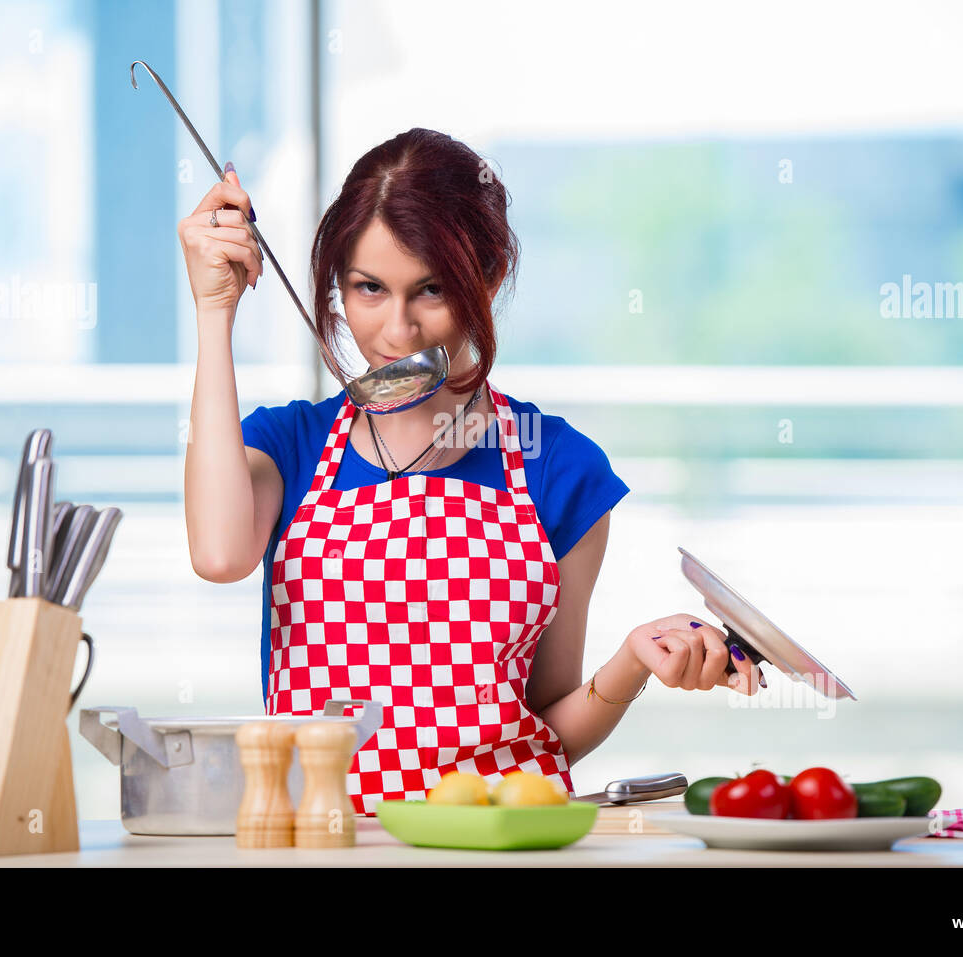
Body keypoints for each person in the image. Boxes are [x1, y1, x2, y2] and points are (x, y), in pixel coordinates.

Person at [180, 128, 759, 816]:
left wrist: (631, 662)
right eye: (368, 289)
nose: (399, 331)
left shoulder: (558, 465)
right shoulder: (291, 445)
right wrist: (214, 313)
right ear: (336, 287)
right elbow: (218, 556)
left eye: (431, 290)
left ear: (488, 277)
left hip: (501, 845)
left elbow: (545, 729)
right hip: (328, 845)